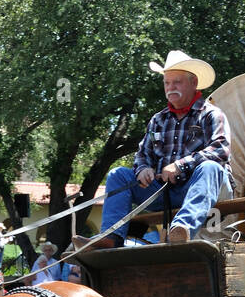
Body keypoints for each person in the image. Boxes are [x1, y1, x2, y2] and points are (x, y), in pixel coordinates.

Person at [75, 50, 232, 249]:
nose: (170, 87)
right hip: (164, 193)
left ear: (193, 83)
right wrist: (143, 170)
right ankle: (111, 237)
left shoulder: (211, 114)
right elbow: (142, 156)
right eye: (167, 83)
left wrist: (181, 165)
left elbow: (221, 150)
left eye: (177, 82)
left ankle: (181, 229)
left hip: (202, 189)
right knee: (118, 175)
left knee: (210, 167)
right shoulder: (158, 120)